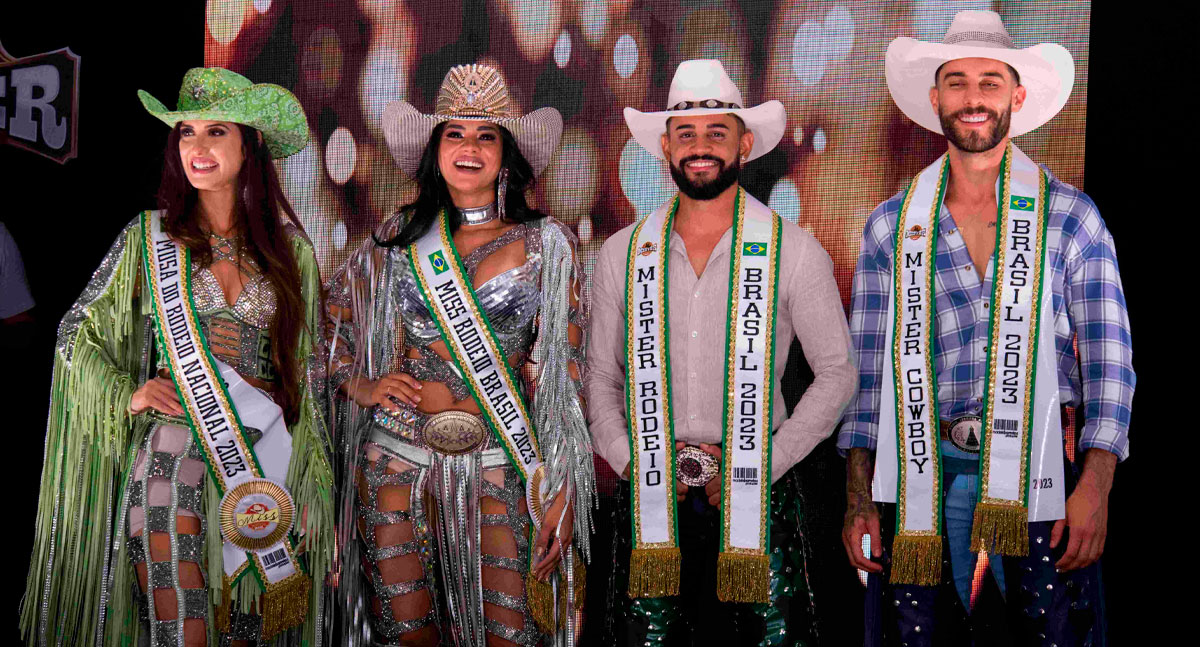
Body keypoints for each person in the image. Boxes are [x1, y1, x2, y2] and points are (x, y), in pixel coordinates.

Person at [839, 11, 1132, 645]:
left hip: (1044, 478)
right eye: (959, 82)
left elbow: (1111, 366)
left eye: (990, 82)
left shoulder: (1071, 218)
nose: (974, 98)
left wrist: (1097, 487)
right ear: (936, 97)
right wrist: (858, 498)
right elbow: (865, 384)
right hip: (920, 474)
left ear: (1016, 97)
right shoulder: (891, 227)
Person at [20, 68, 334, 647]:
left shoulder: (293, 253)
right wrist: (129, 394)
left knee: (249, 633)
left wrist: (315, 487)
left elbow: (312, 374)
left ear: (251, 144)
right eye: (186, 133)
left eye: (215, 131)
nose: (197, 147)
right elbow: (73, 336)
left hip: (265, 465)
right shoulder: (150, 237)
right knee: (181, 630)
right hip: (170, 458)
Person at [586, 59, 857, 645]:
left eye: (717, 132)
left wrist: (770, 462)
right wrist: (635, 464)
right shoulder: (621, 253)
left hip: (760, 490)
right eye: (686, 133)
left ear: (746, 142)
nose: (700, 146)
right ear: (665, 146)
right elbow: (599, 376)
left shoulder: (794, 250)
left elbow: (838, 374)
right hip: (652, 492)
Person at [325, 63, 593, 647]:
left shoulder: (549, 244)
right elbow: (330, 329)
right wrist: (361, 385)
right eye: (454, 134)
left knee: (511, 634)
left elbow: (567, 382)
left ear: (507, 153)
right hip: (395, 461)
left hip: (504, 465)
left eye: (486, 135)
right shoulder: (396, 239)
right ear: (434, 149)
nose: (469, 148)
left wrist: (563, 490)